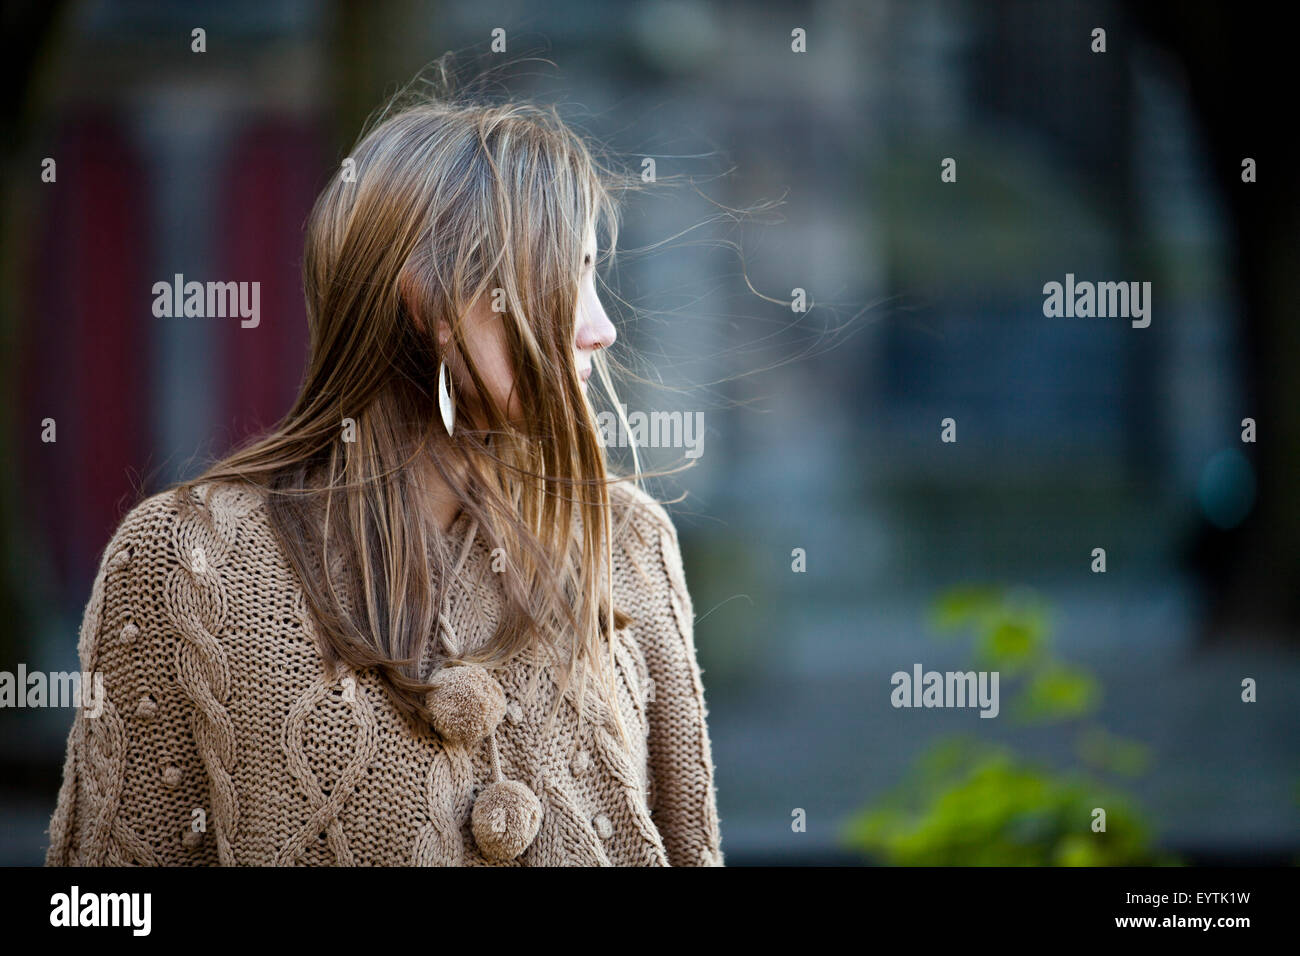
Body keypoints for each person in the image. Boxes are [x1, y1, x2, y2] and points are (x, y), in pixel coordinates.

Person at [44, 77, 723, 866]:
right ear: (432, 300)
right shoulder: (188, 561)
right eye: (562, 279)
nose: (600, 328)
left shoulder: (629, 541)